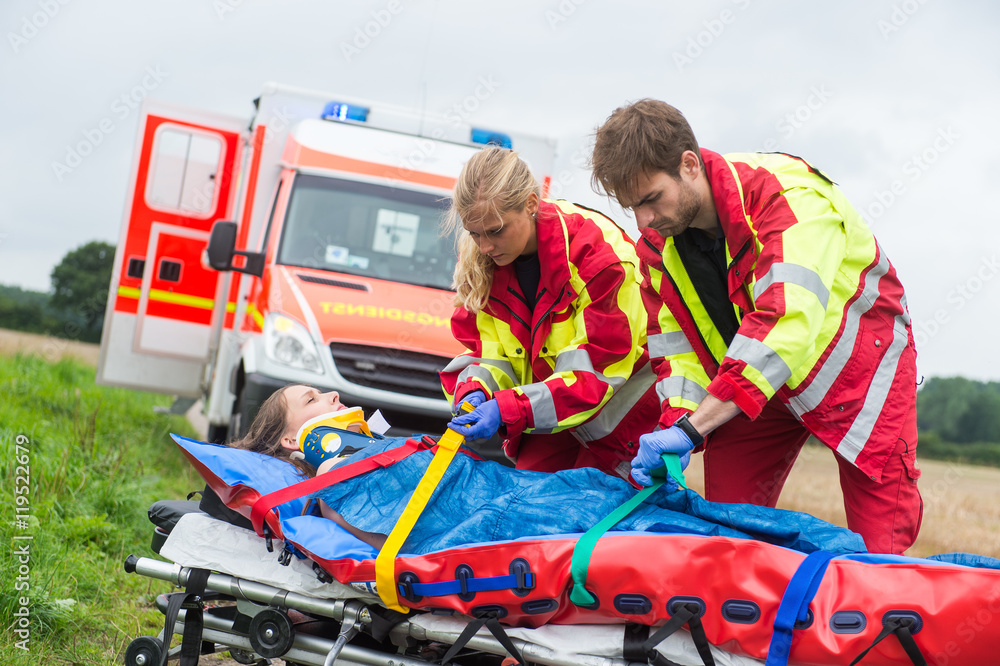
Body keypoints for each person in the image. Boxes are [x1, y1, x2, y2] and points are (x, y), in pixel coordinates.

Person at [590, 99, 922, 554]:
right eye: (633, 207)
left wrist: (693, 430)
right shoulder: (659, 247)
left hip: (857, 374)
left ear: (689, 164)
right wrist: (677, 423)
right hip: (751, 384)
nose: (644, 221)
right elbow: (680, 349)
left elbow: (784, 323)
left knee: (881, 549)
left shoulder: (787, 198)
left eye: (651, 199)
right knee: (726, 532)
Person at [230, 383, 866, 556]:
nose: (335, 400)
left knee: (684, 514)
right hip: (521, 519)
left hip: (541, 496)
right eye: (315, 402)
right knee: (690, 534)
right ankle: (841, 567)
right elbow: (398, 522)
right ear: (291, 439)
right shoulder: (335, 469)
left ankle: (841, 560)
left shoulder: (365, 454)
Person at [438, 146, 661, 480]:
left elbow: (598, 371)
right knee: (524, 516)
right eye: (474, 233)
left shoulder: (597, 255)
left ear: (530, 203)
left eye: (496, 231)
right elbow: (490, 356)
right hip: (549, 419)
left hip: (622, 427)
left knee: (590, 525)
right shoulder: (485, 263)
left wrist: (509, 408)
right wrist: (475, 391)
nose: (484, 246)